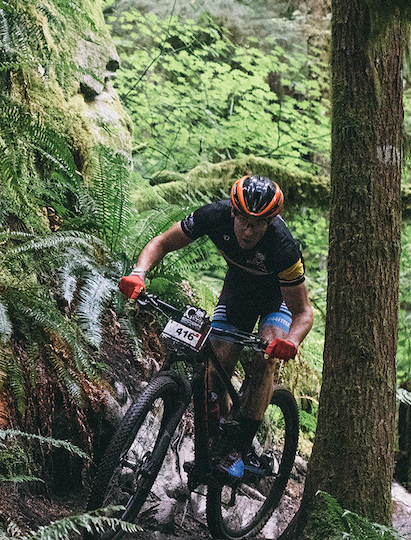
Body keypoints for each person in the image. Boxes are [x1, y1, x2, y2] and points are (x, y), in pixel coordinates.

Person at [118, 175, 314, 474]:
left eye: (257, 224)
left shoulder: (283, 248)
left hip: (277, 299)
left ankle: (238, 450)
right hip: (237, 292)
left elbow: (303, 313)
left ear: (271, 222)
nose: (248, 231)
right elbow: (161, 243)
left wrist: (292, 342)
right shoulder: (214, 216)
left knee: (264, 360)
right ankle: (218, 435)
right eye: (243, 221)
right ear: (233, 213)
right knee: (217, 364)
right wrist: (139, 274)